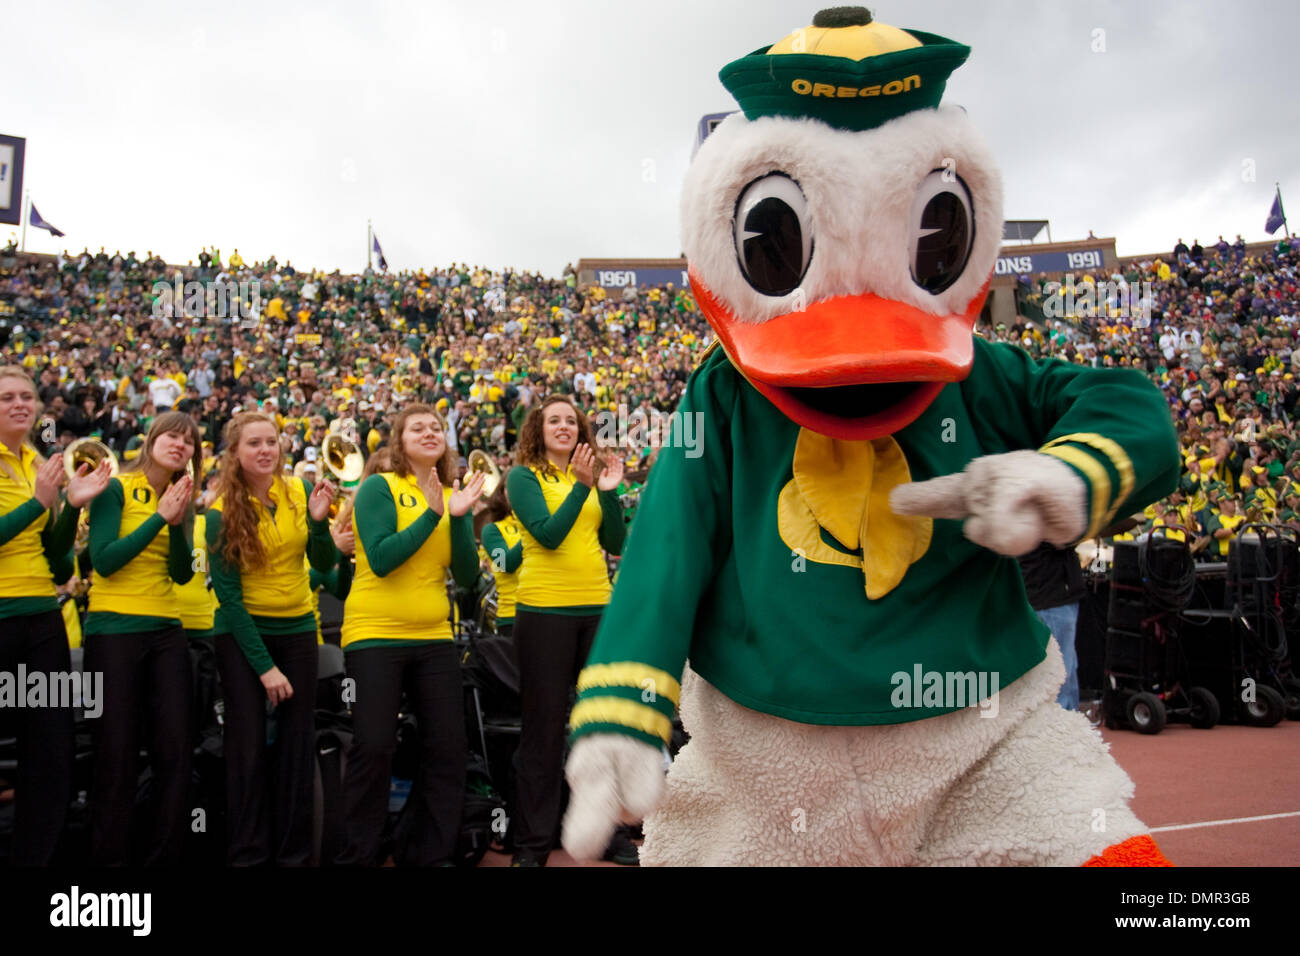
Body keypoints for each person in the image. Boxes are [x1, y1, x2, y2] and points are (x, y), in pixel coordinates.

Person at [338, 405, 485, 865]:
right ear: (399, 442)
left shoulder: (449, 495)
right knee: (376, 745)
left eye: (436, 427)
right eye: (417, 427)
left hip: (435, 638)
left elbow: (466, 577)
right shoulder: (379, 488)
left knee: (447, 748)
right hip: (375, 636)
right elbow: (380, 559)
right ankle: (358, 853)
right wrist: (430, 515)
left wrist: (459, 519)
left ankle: (427, 852)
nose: (429, 433)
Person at [206, 412, 339, 866]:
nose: (265, 450)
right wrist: (265, 668)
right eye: (254, 444)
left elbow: (323, 562)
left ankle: (295, 856)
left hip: (299, 627)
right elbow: (228, 598)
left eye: (271, 442)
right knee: (246, 749)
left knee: (297, 747)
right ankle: (248, 855)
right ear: (235, 454)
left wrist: (320, 524)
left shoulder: (299, 492)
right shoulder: (220, 510)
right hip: (244, 635)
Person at [505, 396, 627, 866]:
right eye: (554, 419)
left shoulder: (591, 478)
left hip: (597, 609)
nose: (563, 426)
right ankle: (532, 844)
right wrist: (581, 487)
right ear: (539, 428)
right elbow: (548, 535)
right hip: (544, 613)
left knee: (599, 727)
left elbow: (615, 543)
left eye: (571, 421)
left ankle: (604, 832)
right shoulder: (523, 477)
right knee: (544, 730)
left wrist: (609, 491)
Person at [0, 366, 112, 865]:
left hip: (42, 619)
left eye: (27, 396)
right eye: (6, 397)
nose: (20, 404)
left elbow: (59, 560)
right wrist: (39, 503)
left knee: (51, 751)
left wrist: (67, 507)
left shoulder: (36, 463)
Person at [83, 410, 201, 865]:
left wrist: (174, 521)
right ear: (151, 439)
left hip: (167, 630)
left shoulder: (180, 497)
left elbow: (181, 572)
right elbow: (106, 560)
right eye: (172, 435)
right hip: (113, 631)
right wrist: (158, 518)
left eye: (189, 442)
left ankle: (165, 854)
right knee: (116, 753)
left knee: (175, 752)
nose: (180, 444)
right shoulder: (114, 487)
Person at [480, 473, 523, 637]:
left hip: (548, 612)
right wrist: (532, 531)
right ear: (501, 493)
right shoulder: (491, 531)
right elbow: (505, 565)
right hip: (512, 617)